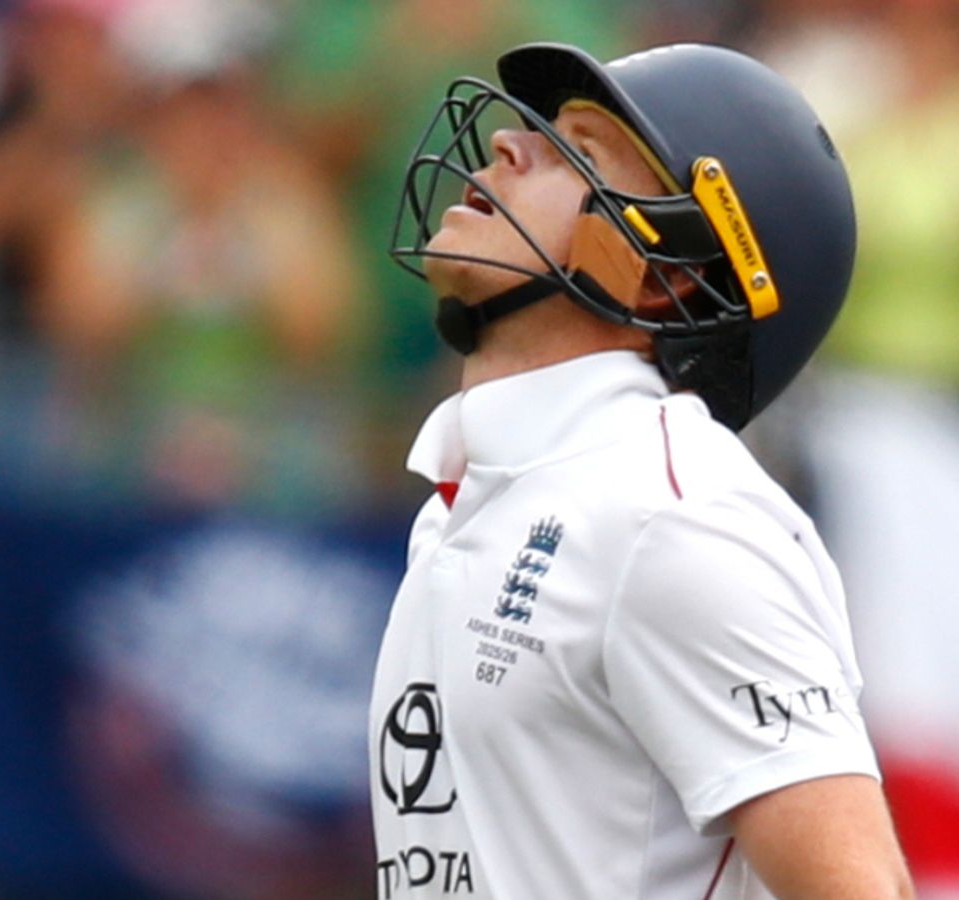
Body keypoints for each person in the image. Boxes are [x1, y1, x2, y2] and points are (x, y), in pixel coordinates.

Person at [368, 41, 914, 899]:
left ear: (664, 277)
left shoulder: (671, 516)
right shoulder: (477, 500)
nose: (509, 145)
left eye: (580, 151)